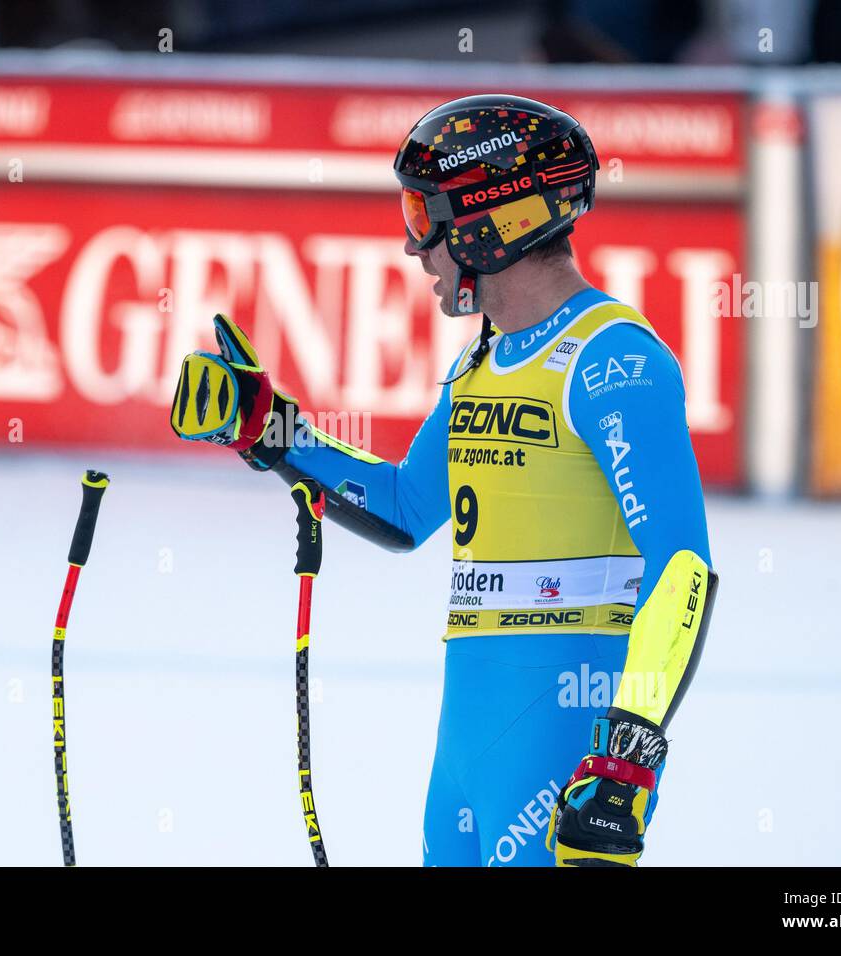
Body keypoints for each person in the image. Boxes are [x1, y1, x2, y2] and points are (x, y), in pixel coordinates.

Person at [170, 94, 717, 866]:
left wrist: (626, 762)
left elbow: (682, 569)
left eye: (424, 215)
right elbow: (405, 508)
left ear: (493, 220)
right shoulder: (479, 362)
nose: (413, 247)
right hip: (464, 761)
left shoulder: (612, 361)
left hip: (566, 758)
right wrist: (272, 432)